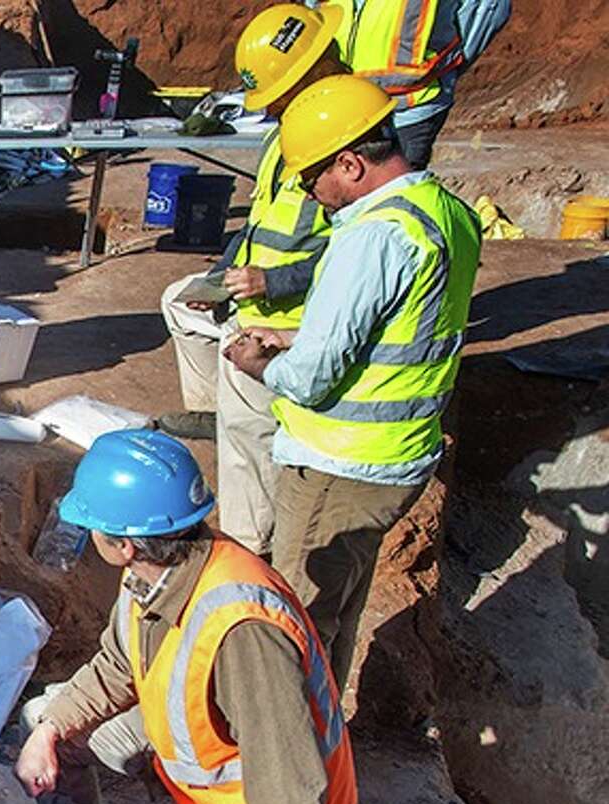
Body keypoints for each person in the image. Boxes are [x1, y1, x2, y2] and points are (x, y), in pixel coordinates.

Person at [0, 431, 390, 804]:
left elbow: (294, 793)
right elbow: (117, 665)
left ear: (124, 543)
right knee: (44, 725)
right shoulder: (158, 571)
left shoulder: (244, 632)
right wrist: (54, 727)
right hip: (202, 752)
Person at [226, 74, 480, 687]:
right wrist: (299, 335)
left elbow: (312, 380)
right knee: (332, 620)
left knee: (291, 631)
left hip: (337, 463)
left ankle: (291, 769)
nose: (313, 195)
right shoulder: (445, 213)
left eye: (314, 178)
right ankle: (328, 748)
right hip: (395, 458)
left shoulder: (370, 237)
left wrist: (262, 364)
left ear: (349, 163)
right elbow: (400, 327)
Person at [156, 3, 349, 558]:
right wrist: (218, 280)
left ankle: (246, 548)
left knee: (249, 428)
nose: (276, 105)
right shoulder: (284, 140)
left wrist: (274, 281)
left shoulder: (345, 145)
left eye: (278, 92)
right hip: (254, 290)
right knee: (180, 302)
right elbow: (259, 224)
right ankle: (211, 413)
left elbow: (349, 259)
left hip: (291, 312)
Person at [327, 0, 513, 167]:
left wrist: (449, 63)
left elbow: (492, 7)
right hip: (343, 108)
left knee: (392, 196)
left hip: (410, 109)